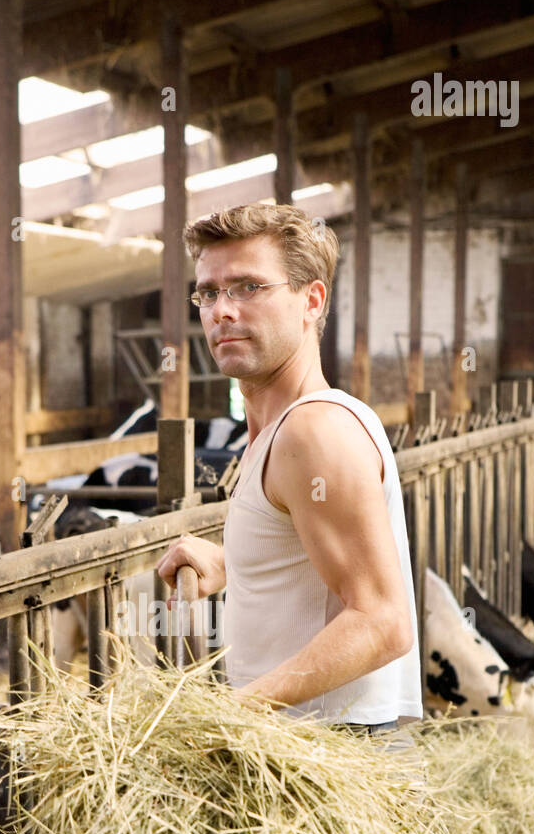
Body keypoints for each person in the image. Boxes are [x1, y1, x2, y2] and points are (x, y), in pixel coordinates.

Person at [157, 202, 423, 738]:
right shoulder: (281, 428)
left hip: (333, 753)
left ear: (312, 299)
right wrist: (241, 562)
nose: (221, 311)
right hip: (305, 748)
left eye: (249, 287)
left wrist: (231, 716)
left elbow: (382, 621)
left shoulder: (313, 431)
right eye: (208, 293)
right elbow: (315, 561)